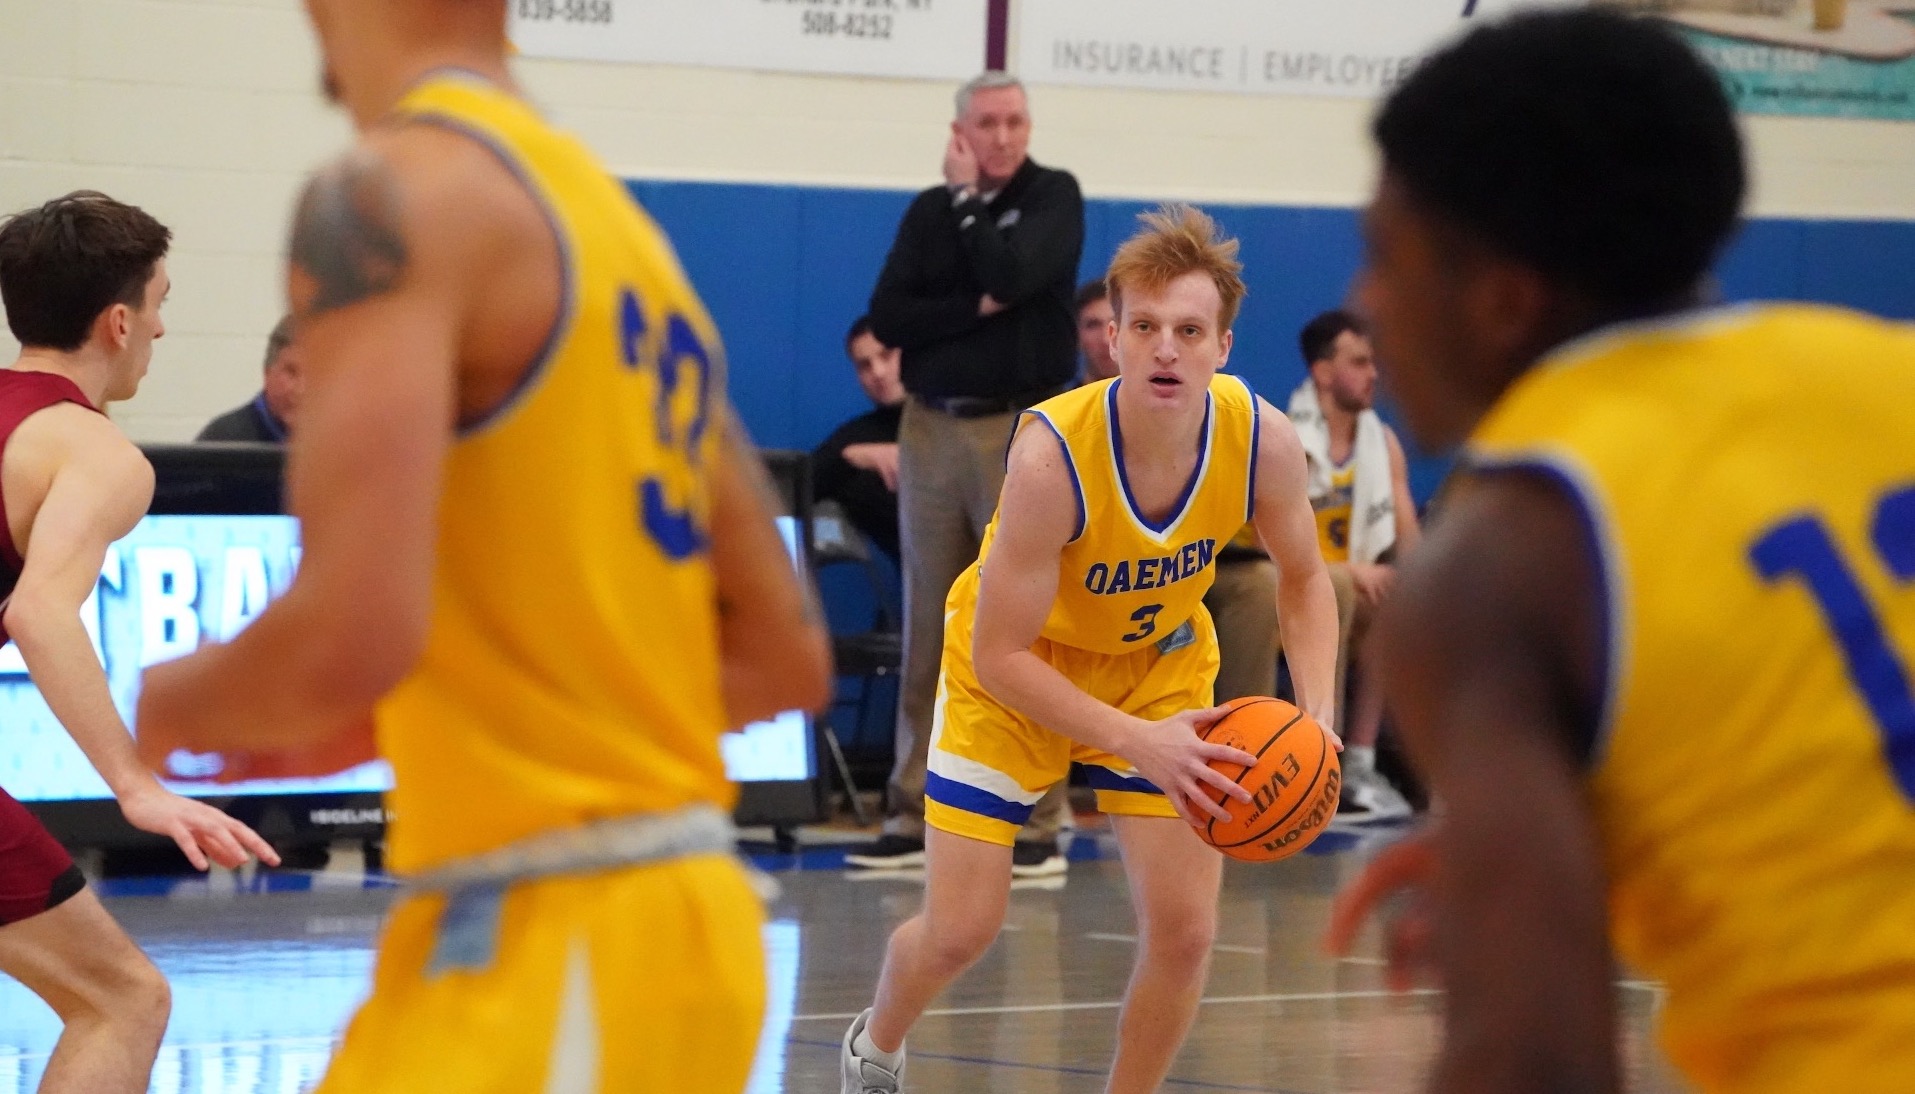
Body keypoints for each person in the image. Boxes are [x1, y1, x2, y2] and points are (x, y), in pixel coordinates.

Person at [129, 2, 832, 1090]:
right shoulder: (623, 242)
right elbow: (786, 656)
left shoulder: (391, 195)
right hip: (660, 924)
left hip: (557, 935)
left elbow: (351, 629)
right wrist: (492, 712)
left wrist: (163, 710)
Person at [1324, 10, 1915, 1093]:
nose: (1367, 299)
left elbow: (1535, 1067)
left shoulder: (1497, 559)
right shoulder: (1889, 372)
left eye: (1383, 253)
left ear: (1502, 297)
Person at [840, 204, 1340, 1094]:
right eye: (1143, 327)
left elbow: (1304, 580)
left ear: (1222, 346)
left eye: (1189, 330)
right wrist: (1139, 745)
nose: (1165, 349)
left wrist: (1319, 718)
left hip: (1155, 668)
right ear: (1110, 338)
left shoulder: (1263, 439)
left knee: (1186, 934)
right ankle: (875, 1042)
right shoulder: (1049, 457)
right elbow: (1001, 658)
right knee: (962, 928)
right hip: (1014, 673)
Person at [0, 190, 280, 1094]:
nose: (161, 329)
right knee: (121, 1000)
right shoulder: (98, 454)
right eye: (160, 304)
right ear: (119, 321)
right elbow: (40, 612)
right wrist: (136, 786)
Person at [851, 70, 1085, 875]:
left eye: (1014, 121)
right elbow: (889, 316)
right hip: (931, 425)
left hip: (1017, 425)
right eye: (986, 123)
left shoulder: (1054, 196)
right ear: (959, 132)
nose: (1002, 137)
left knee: (1020, 623)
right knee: (931, 624)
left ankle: (1036, 820)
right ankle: (911, 808)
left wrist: (967, 210)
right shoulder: (926, 211)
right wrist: (973, 304)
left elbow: (1014, 277)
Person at [1286, 310, 1420, 822]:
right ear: (1323, 373)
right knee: (1337, 587)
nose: (1374, 374)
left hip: (1353, 587)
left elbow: (1410, 540)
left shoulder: (1380, 443)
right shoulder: (1287, 439)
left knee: (1402, 604)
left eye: (1375, 362)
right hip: (1291, 586)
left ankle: (1361, 760)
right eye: (1360, 362)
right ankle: (1321, 757)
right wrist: (1342, 571)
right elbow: (1268, 541)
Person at [813, 316, 904, 561]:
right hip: (932, 590)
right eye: (865, 365)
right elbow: (790, 491)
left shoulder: (955, 421)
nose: (878, 372)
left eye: (887, 355)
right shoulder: (857, 441)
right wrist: (851, 457)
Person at [195, 315, 302, 442]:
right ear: (267, 373)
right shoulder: (221, 441)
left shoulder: (330, 443)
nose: (302, 389)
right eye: (291, 372)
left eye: (315, 374)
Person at [1075, 277, 1117, 382]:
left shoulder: (1161, 397)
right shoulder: (1059, 399)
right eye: (1093, 325)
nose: (1106, 340)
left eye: (1116, 324)